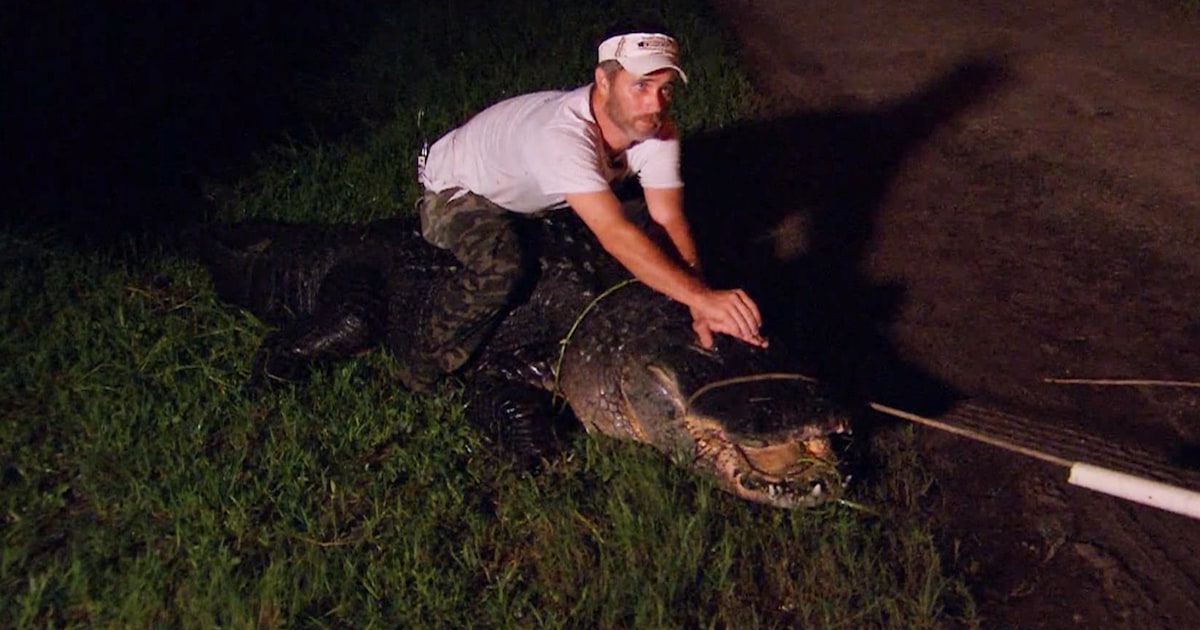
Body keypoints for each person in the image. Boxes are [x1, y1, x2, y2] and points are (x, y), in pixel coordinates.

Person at [401, 28, 767, 391]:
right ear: (603, 82)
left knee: (646, 226)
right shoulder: (561, 138)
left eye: (665, 88)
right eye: (640, 86)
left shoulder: (658, 129)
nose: (655, 104)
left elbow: (667, 216)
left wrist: (699, 297)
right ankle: (422, 364)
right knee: (502, 266)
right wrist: (700, 296)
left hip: (534, 192)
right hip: (460, 190)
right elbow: (614, 234)